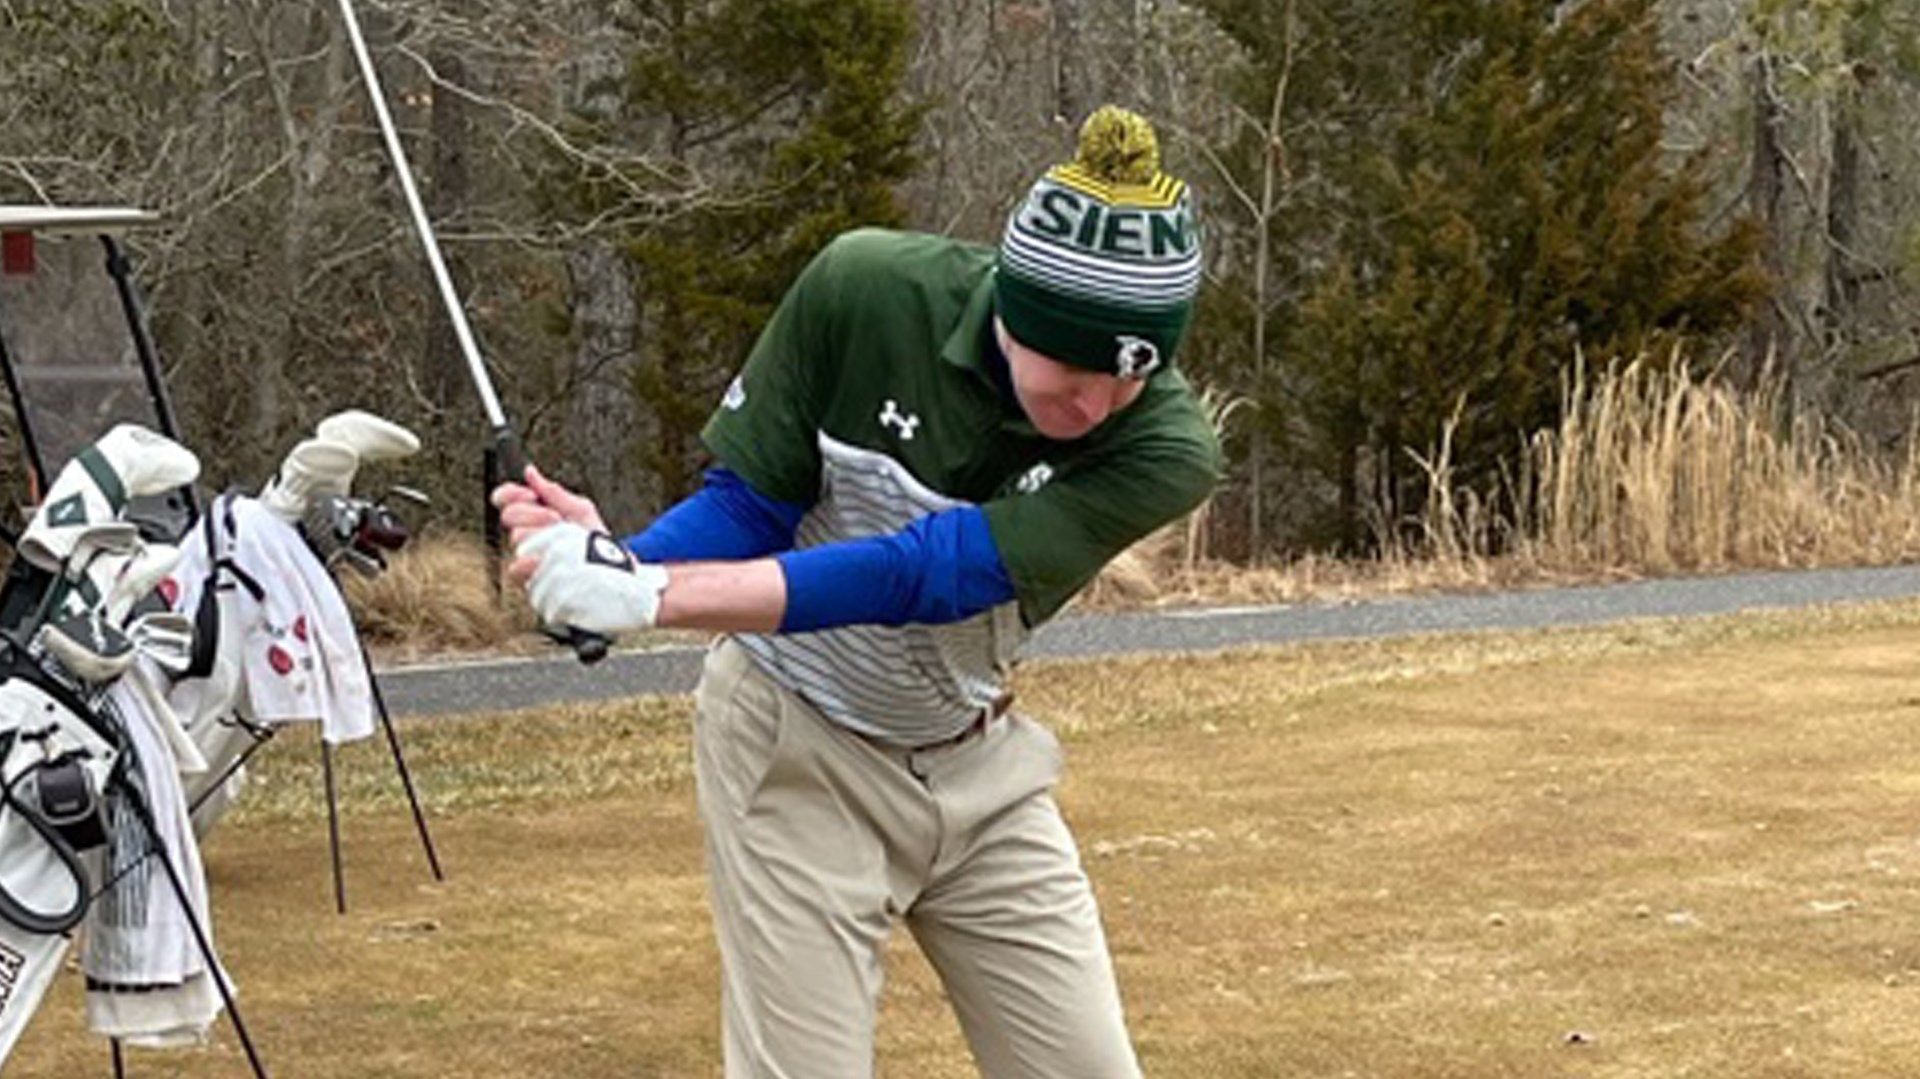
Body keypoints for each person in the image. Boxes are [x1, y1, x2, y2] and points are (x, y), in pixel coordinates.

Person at [495, 104, 1221, 1078]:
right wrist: (614, 566)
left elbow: (928, 572)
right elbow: (752, 503)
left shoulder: (1168, 448)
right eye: (1075, 365)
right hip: (797, 749)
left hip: (978, 764)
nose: (1095, 405)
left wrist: (653, 589)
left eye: (1129, 378)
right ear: (1016, 308)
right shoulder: (863, 290)